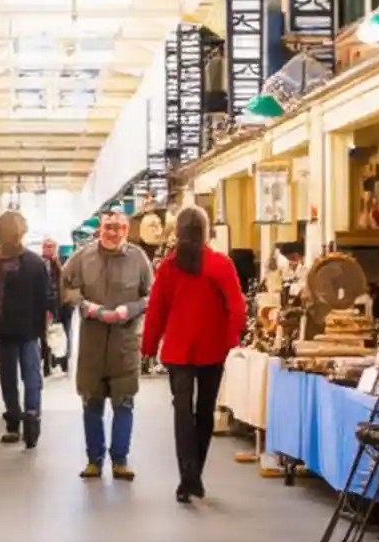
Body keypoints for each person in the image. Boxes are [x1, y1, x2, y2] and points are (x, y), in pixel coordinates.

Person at [141, 207, 246, 503]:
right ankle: (195, 473)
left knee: (182, 413)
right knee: (205, 412)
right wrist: (231, 338)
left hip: (177, 350)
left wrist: (148, 347)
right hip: (212, 350)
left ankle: (187, 477)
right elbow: (236, 307)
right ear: (205, 230)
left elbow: (156, 311)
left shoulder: (168, 268)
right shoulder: (220, 264)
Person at [61, 209, 153, 480]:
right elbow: (65, 287)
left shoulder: (138, 259)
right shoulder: (82, 257)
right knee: (91, 403)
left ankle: (120, 461)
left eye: (119, 228)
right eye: (108, 227)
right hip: (92, 344)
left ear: (126, 230)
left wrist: (131, 309)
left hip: (124, 344)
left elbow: (151, 296)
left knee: (124, 403)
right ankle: (94, 460)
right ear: (99, 229)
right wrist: (87, 306)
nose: (113, 233)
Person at [0, 211, 50, 448]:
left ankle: (14, 423)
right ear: (22, 232)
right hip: (29, 331)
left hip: (3, 331)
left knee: (8, 378)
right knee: (32, 376)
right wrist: (44, 326)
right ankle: (32, 415)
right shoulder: (36, 263)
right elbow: (45, 298)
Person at [39, 238, 72, 375]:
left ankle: (64, 361)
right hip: (47, 304)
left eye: (51, 247)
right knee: (46, 335)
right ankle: (47, 364)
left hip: (63, 303)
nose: (49, 249)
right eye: (46, 247)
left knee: (64, 333)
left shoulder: (63, 262)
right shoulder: (40, 263)